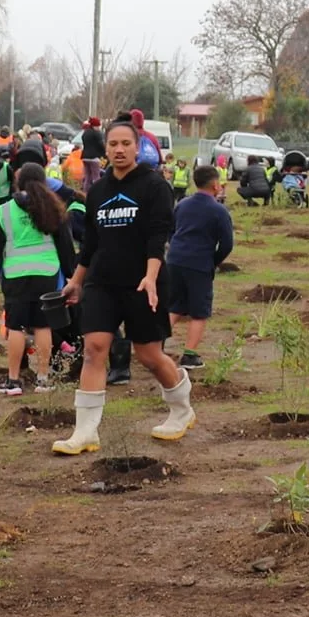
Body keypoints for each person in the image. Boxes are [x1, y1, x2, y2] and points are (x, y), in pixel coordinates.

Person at [50, 121, 194, 455]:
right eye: (112, 143)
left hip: (144, 282)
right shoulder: (98, 191)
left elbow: (159, 236)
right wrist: (76, 281)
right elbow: (90, 244)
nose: (118, 149)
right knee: (95, 348)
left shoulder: (155, 186)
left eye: (125, 143)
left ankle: (181, 409)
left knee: (148, 355)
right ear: (105, 148)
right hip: (103, 282)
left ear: (137, 145)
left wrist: (151, 276)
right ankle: (85, 432)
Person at [0, 163, 79, 396]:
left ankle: (13, 381)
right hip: (47, 275)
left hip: (16, 276)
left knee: (16, 327)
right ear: (44, 182)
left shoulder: (5, 211)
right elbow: (65, 246)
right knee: (43, 326)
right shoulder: (54, 207)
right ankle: (43, 380)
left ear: (18, 183)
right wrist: (72, 275)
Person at [167, 166, 234, 371]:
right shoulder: (219, 210)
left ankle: (155, 346)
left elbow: (171, 230)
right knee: (199, 311)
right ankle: (189, 355)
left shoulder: (182, 204)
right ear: (215, 185)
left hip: (175, 260)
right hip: (199, 264)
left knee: (174, 306)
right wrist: (212, 261)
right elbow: (227, 243)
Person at [79, 117, 106, 189]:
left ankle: (85, 193)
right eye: (98, 126)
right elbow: (101, 145)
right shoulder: (96, 133)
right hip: (94, 158)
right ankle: (97, 192)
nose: (98, 128)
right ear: (94, 126)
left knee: (87, 177)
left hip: (85, 157)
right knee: (96, 177)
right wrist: (105, 154)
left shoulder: (85, 133)